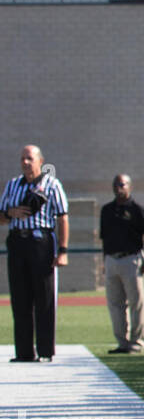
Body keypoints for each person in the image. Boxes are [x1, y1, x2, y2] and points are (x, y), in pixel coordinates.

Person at [1, 145, 69, 362]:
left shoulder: (52, 184)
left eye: (30, 158)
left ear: (40, 161)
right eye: (22, 158)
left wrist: (63, 251)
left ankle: (45, 350)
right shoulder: (13, 185)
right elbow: (1, 216)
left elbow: (62, 217)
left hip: (41, 242)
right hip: (17, 241)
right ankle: (23, 352)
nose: (25, 162)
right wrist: (10, 213)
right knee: (20, 298)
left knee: (44, 297)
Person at [100, 173, 144, 354]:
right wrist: (104, 261)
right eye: (116, 185)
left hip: (131, 259)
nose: (118, 188)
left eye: (122, 185)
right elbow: (104, 238)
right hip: (111, 259)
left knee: (136, 303)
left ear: (129, 187)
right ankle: (122, 342)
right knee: (115, 303)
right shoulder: (107, 210)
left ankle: (136, 342)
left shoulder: (138, 209)